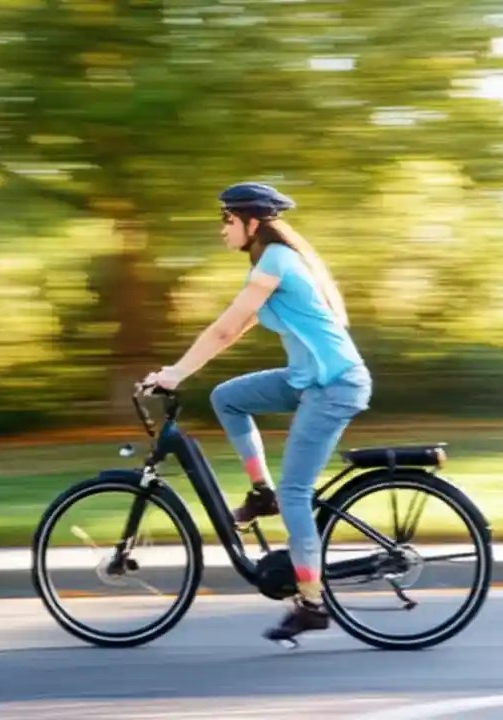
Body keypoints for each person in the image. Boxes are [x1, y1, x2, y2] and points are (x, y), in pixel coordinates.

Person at [140, 182, 373, 643]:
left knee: (297, 493)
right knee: (228, 397)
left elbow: (224, 329)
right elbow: (240, 325)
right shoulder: (271, 264)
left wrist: (175, 373)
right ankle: (261, 493)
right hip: (307, 379)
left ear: (252, 223)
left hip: (335, 384)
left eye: (227, 219)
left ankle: (311, 602)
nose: (221, 228)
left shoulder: (276, 262)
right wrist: (180, 369)